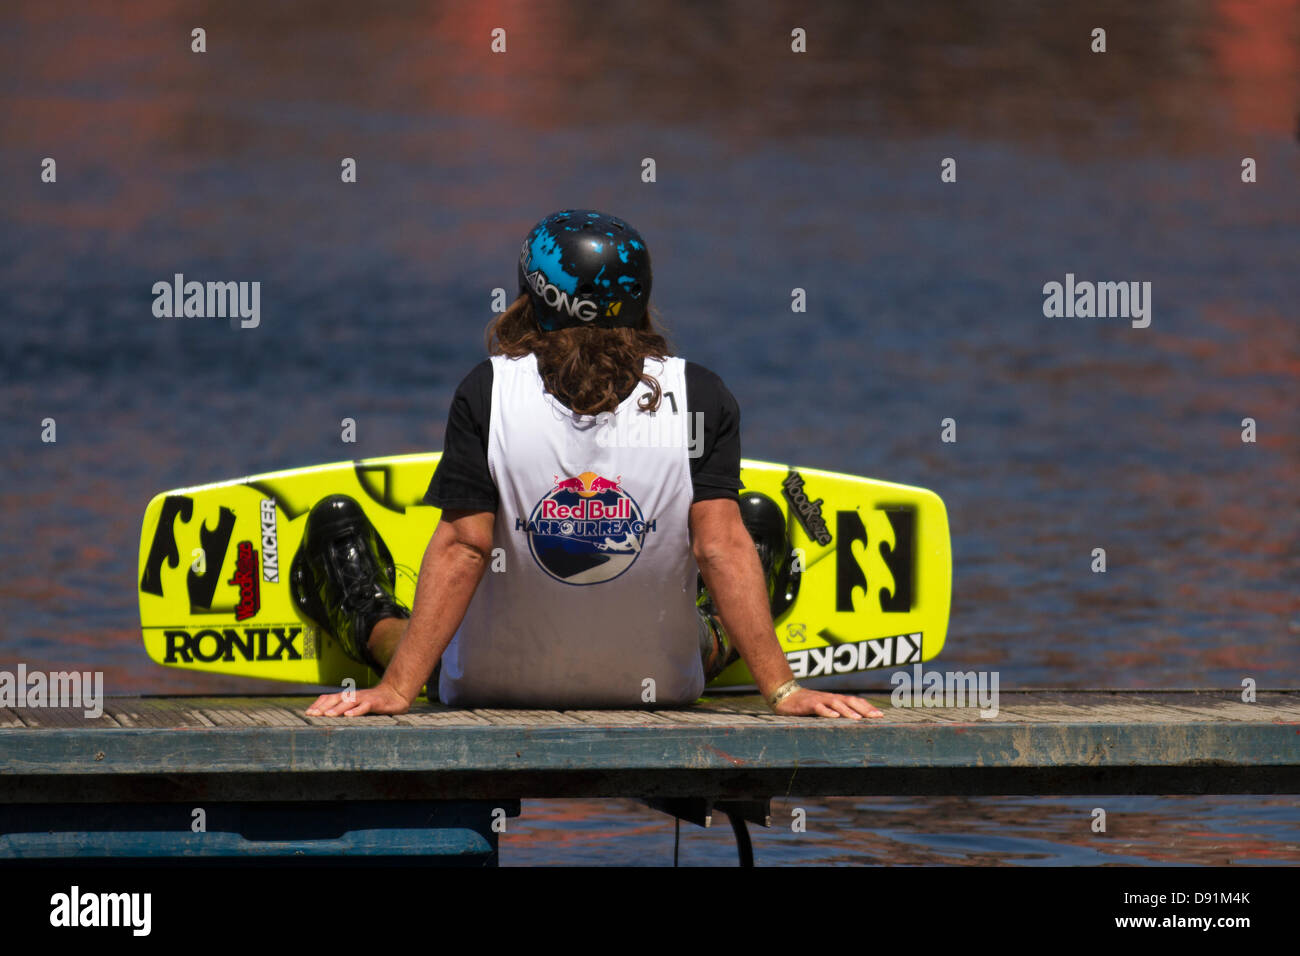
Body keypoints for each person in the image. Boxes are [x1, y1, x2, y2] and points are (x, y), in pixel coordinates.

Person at [298, 209, 881, 720]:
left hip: (490, 686)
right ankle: (738, 626)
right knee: (750, 531)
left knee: (404, 633)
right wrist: (782, 691)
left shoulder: (488, 391)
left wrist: (398, 690)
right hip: (660, 688)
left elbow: (465, 546)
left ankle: (365, 612)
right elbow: (718, 547)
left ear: (531, 298)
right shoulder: (700, 394)